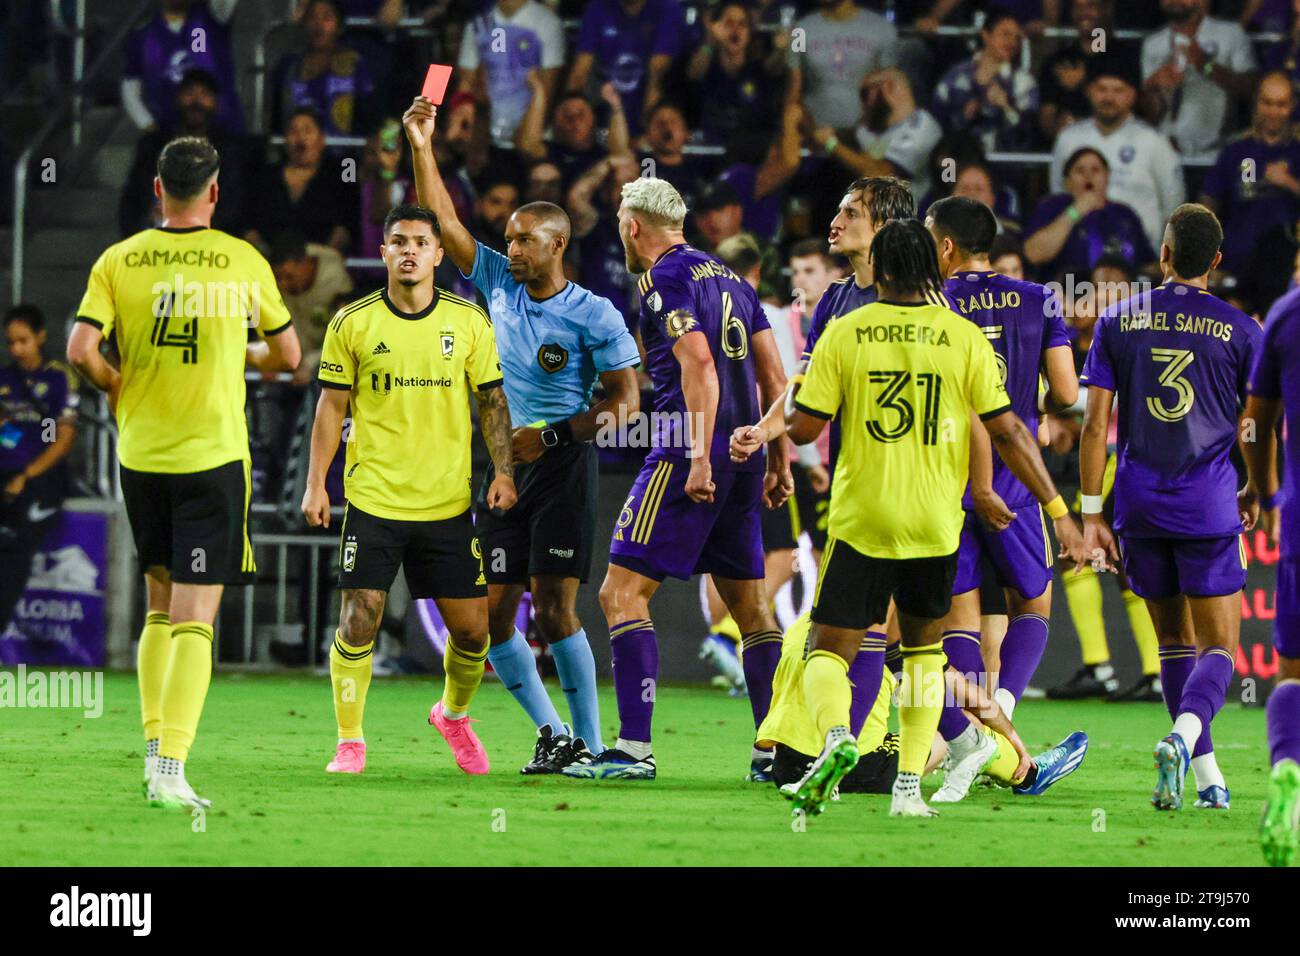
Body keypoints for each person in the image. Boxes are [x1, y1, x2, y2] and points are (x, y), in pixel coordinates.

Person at [729, 219, 1086, 818]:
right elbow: (1008, 428)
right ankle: (907, 795)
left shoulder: (846, 331)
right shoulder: (962, 336)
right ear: (932, 267)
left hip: (863, 516)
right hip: (936, 520)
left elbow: (808, 427)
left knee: (827, 650)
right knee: (924, 657)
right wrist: (1060, 510)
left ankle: (838, 741)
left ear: (883, 271)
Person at [404, 96, 642, 773]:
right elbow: (443, 219)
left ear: (557, 245)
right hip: (507, 468)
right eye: (506, 239)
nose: (509, 250)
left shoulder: (593, 312)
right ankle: (553, 732)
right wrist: (423, 145)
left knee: (556, 611)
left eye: (522, 240)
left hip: (563, 470)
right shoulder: (497, 285)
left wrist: (559, 438)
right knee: (495, 617)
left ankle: (595, 746)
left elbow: (626, 398)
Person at [67, 137, 302, 808]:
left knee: (159, 606)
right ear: (216, 193)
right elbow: (287, 354)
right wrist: (242, 350)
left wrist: (117, 387)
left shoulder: (120, 259)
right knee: (198, 618)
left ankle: (151, 747)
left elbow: (81, 349)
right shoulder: (239, 260)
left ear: (158, 190)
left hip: (141, 456)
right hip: (211, 457)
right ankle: (169, 770)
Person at [568, 176, 790, 781]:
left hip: (686, 453)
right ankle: (773, 751)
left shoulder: (661, 280)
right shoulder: (732, 278)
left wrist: (695, 456)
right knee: (751, 607)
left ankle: (634, 749)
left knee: (620, 594)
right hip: (747, 457)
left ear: (632, 228)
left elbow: (696, 364)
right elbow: (776, 376)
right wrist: (780, 457)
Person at [301, 203, 515, 777]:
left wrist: (504, 471)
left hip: (446, 504)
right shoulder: (353, 322)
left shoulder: (468, 322)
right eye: (399, 241)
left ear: (439, 255)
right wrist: (316, 483)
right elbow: (331, 407)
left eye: (421, 241)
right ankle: (350, 742)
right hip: (373, 499)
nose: (410, 251)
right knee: (360, 618)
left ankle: (453, 715)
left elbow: (492, 400)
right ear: (384, 251)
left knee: (474, 633)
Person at [1078, 203, 1260, 812]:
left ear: (1163, 255)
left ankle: (1207, 779)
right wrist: (1257, 487)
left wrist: (1091, 513)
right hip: (1207, 505)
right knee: (1219, 651)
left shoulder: (1116, 321)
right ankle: (1183, 739)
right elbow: (1256, 426)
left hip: (1137, 505)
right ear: (1215, 261)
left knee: (1174, 644)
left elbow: (1094, 424)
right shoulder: (1241, 330)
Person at [922, 195, 1087, 803]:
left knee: (956, 623)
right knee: (1033, 607)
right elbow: (1067, 392)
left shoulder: (936, 303)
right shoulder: (1040, 298)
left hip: (945, 482)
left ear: (945, 247)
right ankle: (1005, 715)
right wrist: (1025, 409)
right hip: (1016, 481)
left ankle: (978, 733)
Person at [1241, 266, 1300, 867]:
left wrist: (1267, 490)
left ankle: (1288, 770)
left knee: (1293, 673)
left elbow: (1254, 422)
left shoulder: (1286, 312)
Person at [0, 306, 80, 638]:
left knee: (15, 558)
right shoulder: (5, 380)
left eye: (24, 341)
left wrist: (27, 473)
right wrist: (11, 437)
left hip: (38, 482)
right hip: (5, 475)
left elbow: (60, 439)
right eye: (11, 343)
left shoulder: (58, 377)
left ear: (41, 338)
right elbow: (5, 428)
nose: (17, 349)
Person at [1051, 55, 1185, 249]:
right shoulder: (1068, 139)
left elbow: (1174, 207)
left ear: (1133, 95)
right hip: (1080, 252)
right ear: (1089, 91)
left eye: (1118, 90)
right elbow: (1059, 195)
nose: (1108, 98)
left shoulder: (1154, 142)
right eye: (1102, 89)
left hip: (1141, 258)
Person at [1199, 72, 1300, 309]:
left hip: (1285, 271)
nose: (1273, 111)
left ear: (1293, 106)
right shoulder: (1235, 150)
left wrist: (1289, 183)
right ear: (1256, 103)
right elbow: (1206, 205)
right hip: (1235, 265)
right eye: (1267, 103)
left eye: (1281, 104)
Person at [119, 69, 255, 238]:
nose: (196, 101)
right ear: (177, 98)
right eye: (190, 93)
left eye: (205, 94)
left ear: (216, 103)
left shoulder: (229, 149)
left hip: (211, 243)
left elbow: (234, 203)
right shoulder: (153, 145)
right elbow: (133, 199)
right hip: (154, 239)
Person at [1139, 0, 1257, 158]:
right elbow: (1149, 115)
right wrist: (1153, 85)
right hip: (1165, 152)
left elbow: (1250, 88)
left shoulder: (1230, 34)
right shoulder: (1152, 43)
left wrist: (1206, 66)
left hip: (1216, 152)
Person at [812, 68, 942, 205]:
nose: (862, 103)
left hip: (909, 215)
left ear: (888, 88)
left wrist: (832, 145)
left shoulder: (921, 127)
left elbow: (878, 173)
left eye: (865, 94)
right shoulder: (876, 127)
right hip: (874, 211)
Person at [1025, 147, 1156, 280]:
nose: (1088, 176)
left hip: (1119, 294)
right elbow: (1033, 254)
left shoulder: (1124, 214)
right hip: (1066, 292)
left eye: (1096, 170)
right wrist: (1075, 212)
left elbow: (1147, 264)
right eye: (1080, 171)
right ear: (1067, 181)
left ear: (1107, 176)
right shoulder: (1052, 207)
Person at [247, 108, 358, 255]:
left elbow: (346, 225)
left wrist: (323, 257)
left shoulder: (341, 172)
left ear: (322, 140)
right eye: (293, 131)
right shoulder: (267, 175)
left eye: (307, 131)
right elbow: (249, 224)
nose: (300, 138)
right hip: (271, 259)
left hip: (321, 259)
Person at [122, 0, 243, 135]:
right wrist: (147, 124)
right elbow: (130, 86)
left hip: (224, 132)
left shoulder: (213, 16)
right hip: (170, 135)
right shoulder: (143, 36)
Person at [568, 0, 687, 133]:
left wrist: (646, 133)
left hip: (647, 113)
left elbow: (657, 77)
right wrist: (573, 120)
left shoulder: (668, 8)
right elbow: (580, 72)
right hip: (604, 110)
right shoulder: (597, 7)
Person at [932, 8, 1039, 153]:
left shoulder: (1024, 82)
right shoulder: (955, 76)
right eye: (1005, 34)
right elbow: (937, 123)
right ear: (985, 35)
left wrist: (1006, 106)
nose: (1012, 42)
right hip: (960, 162)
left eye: (1016, 38)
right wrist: (968, 112)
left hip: (1006, 166)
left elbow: (1027, 133)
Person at [456, 0, 566, 143]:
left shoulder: (548, 23)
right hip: (484, 136)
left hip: (532, 136)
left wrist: (527, 133)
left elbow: (547, 89)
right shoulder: (476, 25)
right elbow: (466, 85)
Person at [788, 0, 901, 133]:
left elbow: (891, 86)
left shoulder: (883, 29)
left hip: (865, 135)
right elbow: (793, 88)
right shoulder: (800, 30)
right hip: (813, 131)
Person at [272, 0, 376, 138]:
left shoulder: (354, 64)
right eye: (312, 17)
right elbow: (276, 118)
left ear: (339, 26)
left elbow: (375, 117)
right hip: (298, 151)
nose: (318, 25)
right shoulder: (290, 65)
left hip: (344, 154)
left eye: (326, 18)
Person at [268, 231, 355, 384]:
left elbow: (346, 339)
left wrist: (311, 363)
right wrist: (271, 359)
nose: (283, 284)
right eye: (278, 278)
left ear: (306, 263)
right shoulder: (273, 285)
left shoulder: (335, 281)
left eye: (289, 277)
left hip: (328, 365)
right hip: (289, 364)